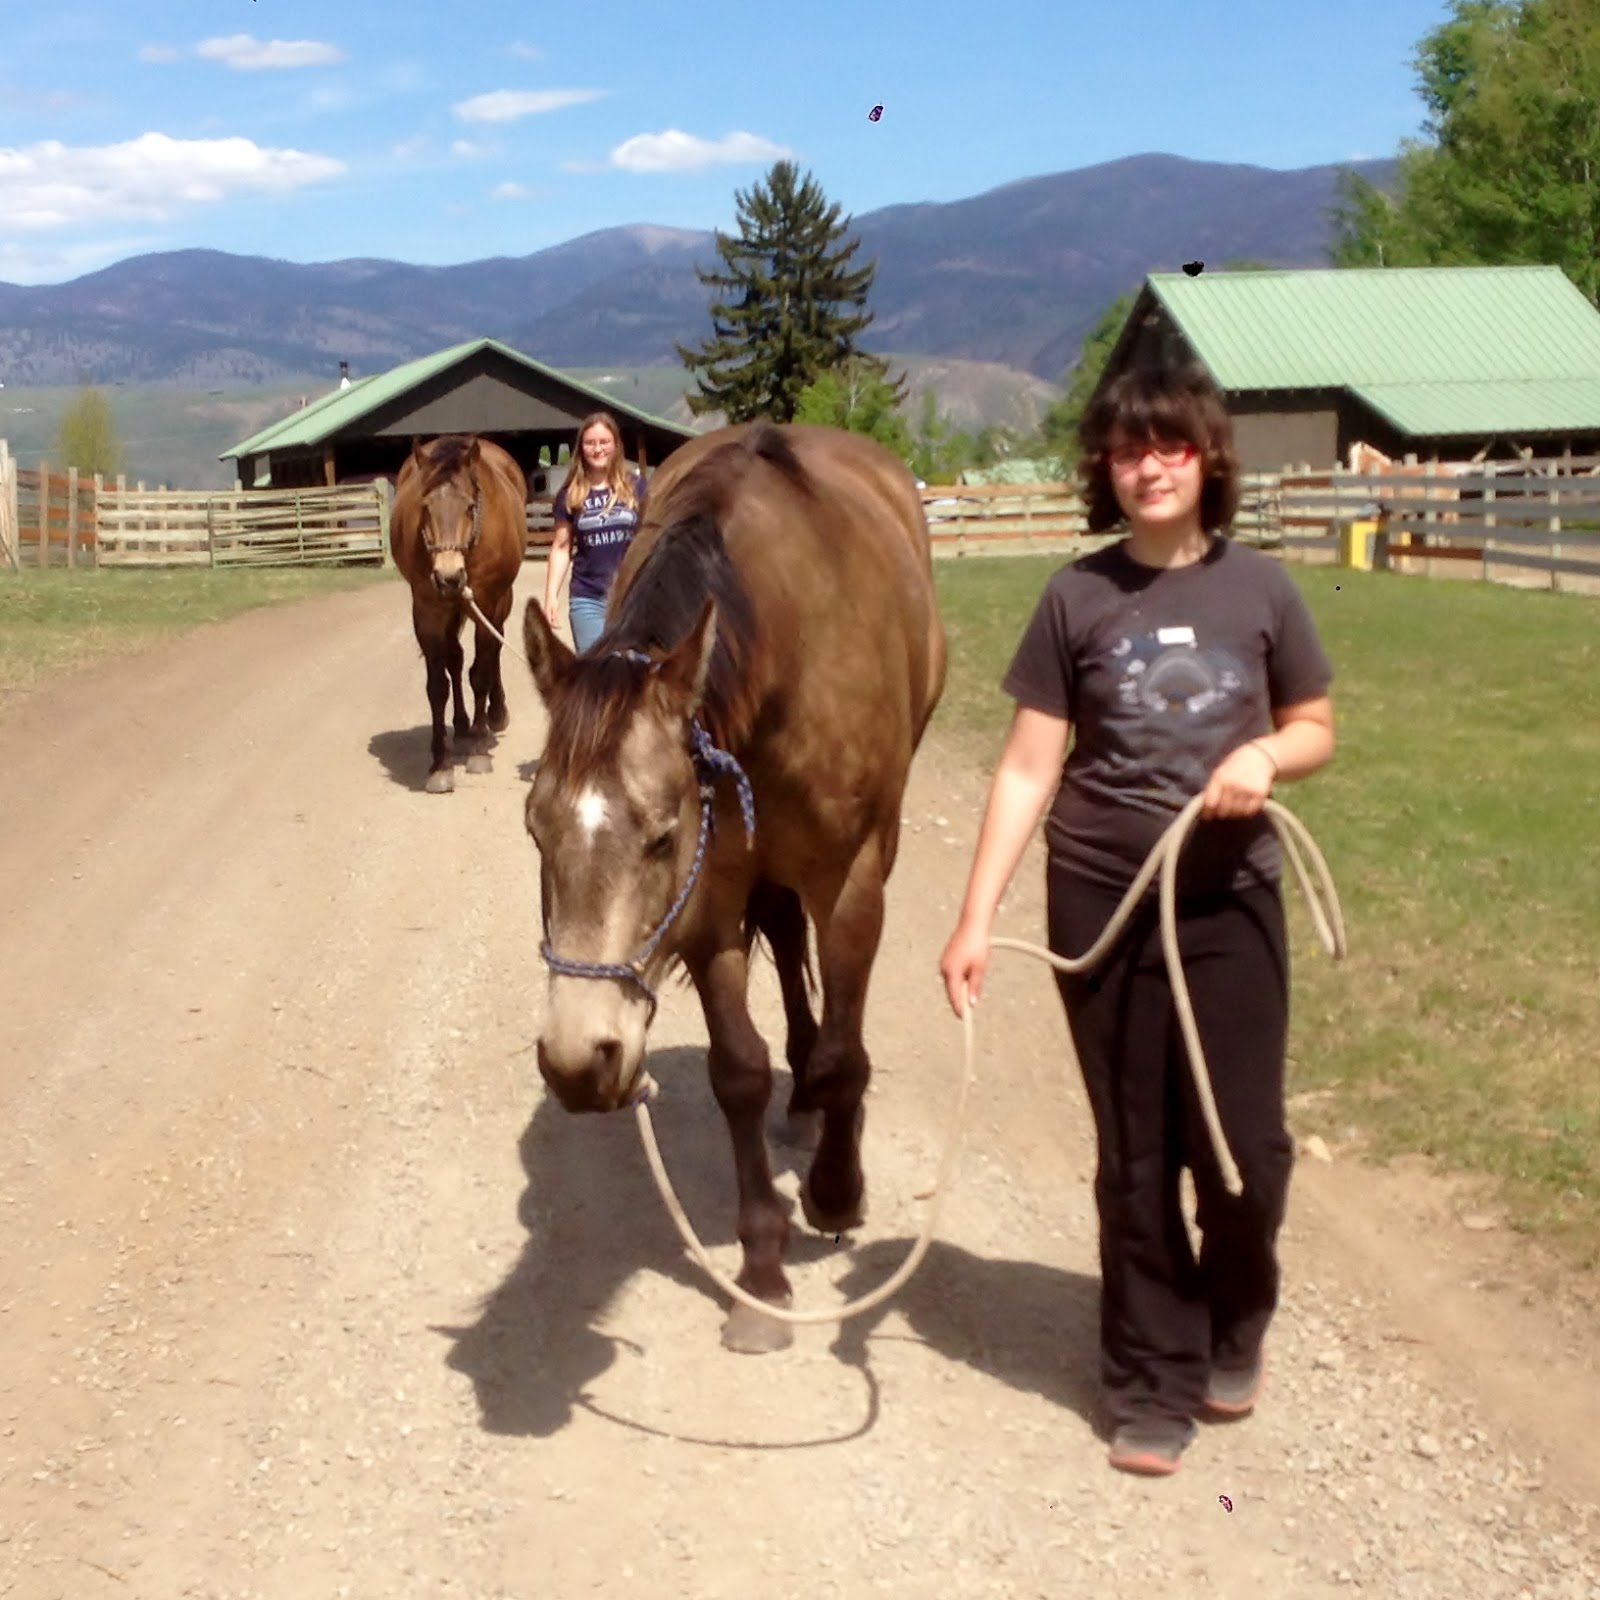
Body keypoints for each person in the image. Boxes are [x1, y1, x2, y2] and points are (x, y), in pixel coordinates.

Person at [939, 361, 1336, 1478]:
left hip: (1231, 902)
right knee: (1136, 1154)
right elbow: (1027, 768)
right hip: (1103, 905)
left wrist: (1261, 751)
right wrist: (975, 917)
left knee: (1245, 1150)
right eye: (1124, 449)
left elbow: (1314, 725)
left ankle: (1234, 1312)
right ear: (1102, 469)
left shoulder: (1260, 590)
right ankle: (1147, 1376)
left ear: (1206, 456)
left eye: (1166, 445)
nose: (1146, 465)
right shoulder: (1076, 597)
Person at [542, 411, 648, 653]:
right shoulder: (570, 494)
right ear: (581, 448)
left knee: (640, 678)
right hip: (588, 598)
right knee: (597, 679)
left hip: (634, 596)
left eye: (604, 442)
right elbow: (561, 547)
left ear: (616, 445)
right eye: (590, 443)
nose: (597, 449)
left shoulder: (637, 488)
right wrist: (551, 596)